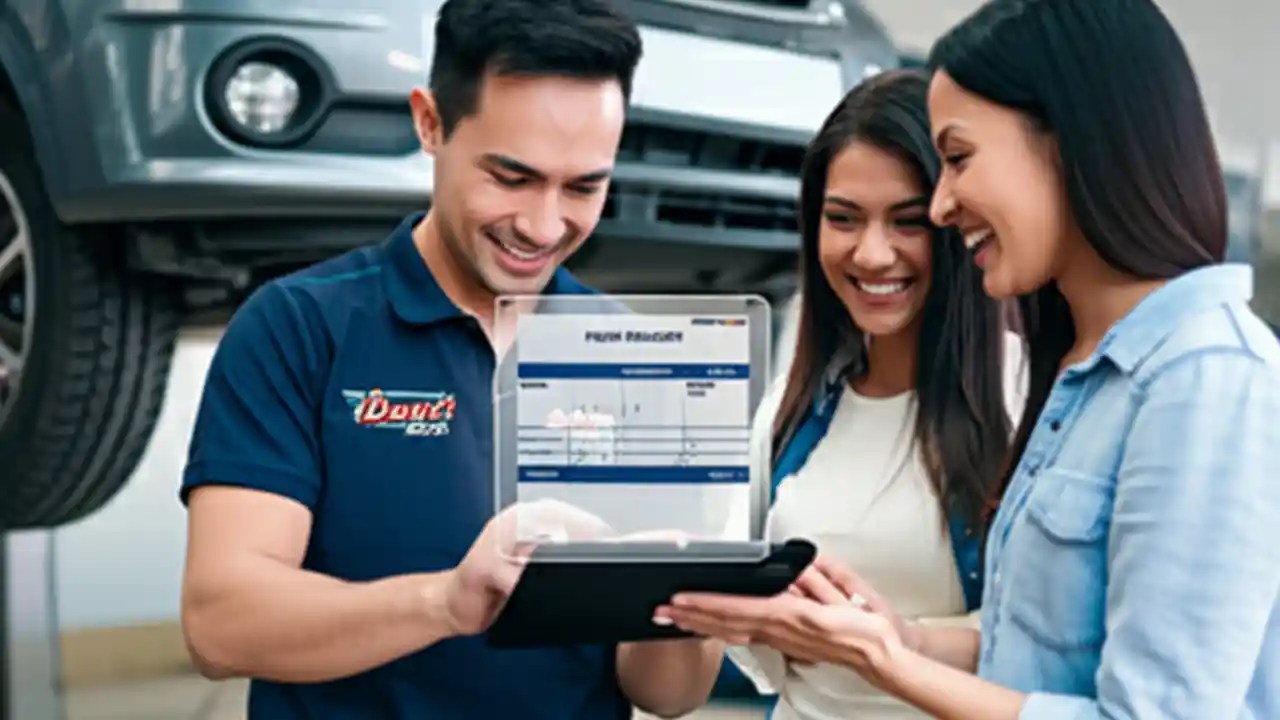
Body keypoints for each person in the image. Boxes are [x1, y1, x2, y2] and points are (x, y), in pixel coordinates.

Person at [656, 1, 1280, 719]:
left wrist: (880, 658)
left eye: (956, 160)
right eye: (842, 217)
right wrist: (893, 636)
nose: (946, 205)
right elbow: (1030, 652)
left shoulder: (1207, 380)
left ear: (1070, 141)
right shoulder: (1084, 376)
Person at [177, 1, 725, 718]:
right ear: (430, 124)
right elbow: (221, 625)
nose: (544, 224)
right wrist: (445, 601)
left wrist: (685, 603)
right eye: (511, 177)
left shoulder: (632, 359)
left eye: (584, 186)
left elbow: (667, 696)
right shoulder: (300, 329)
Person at [717, 69, 1026, 719]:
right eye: (843, 219)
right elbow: (750, 657)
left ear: (955, 221)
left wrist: (900, 643)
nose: (872, 253)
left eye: (907, 222)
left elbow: (1052, 640)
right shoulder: (787, 413)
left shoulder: (1027, 397)